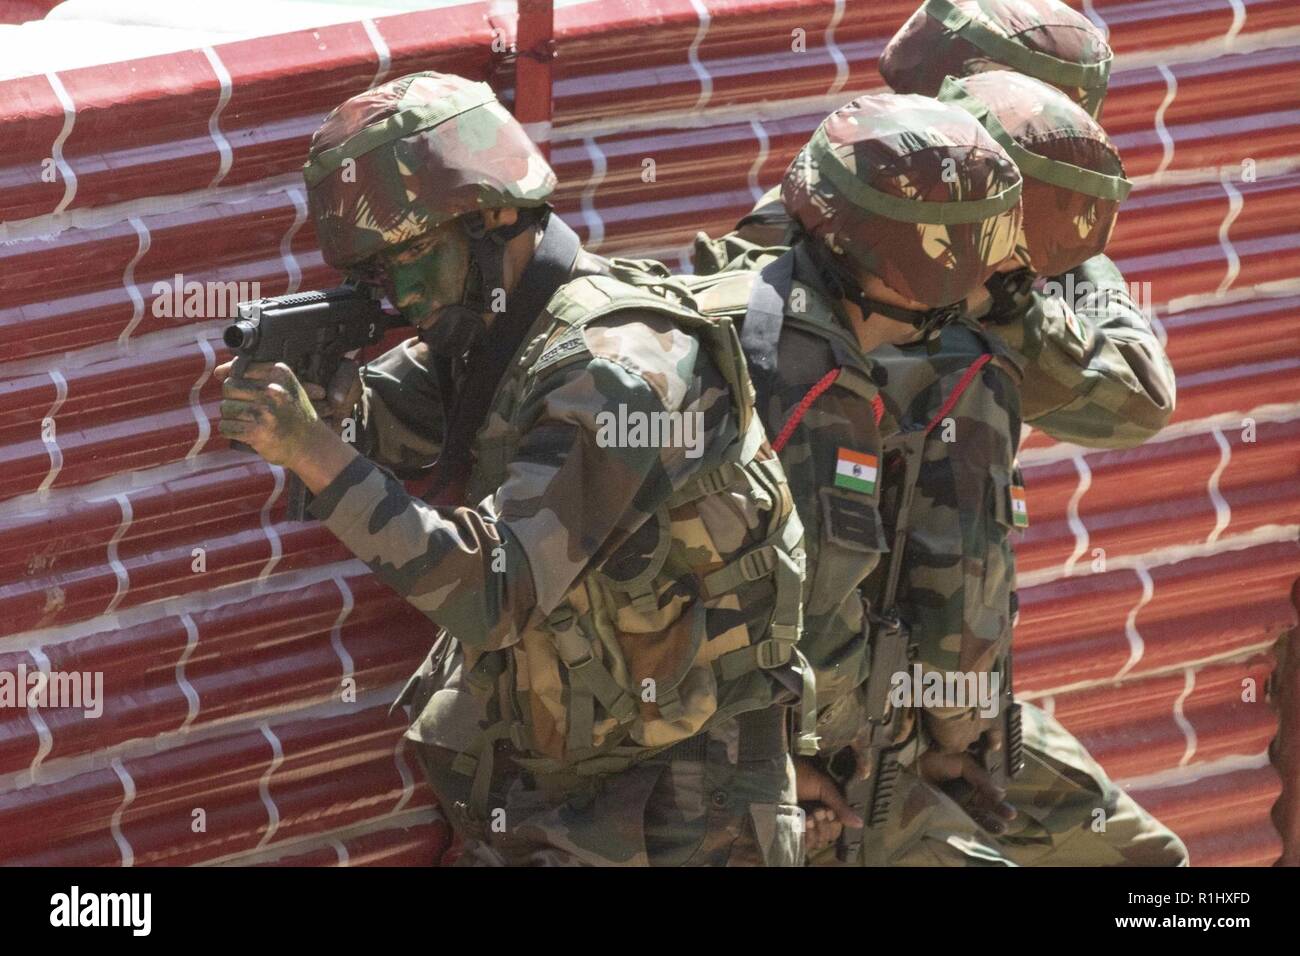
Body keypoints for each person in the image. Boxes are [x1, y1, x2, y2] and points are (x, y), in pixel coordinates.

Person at [216, 71, 814, 866]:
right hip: (565, 786)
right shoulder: (498, 329)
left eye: (412, 256)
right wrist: (331, 410)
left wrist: (312, 450)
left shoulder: (615, 366)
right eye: (374, 275)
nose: (399, 296)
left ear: (495, 217)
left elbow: (494, 593)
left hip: (682, 809)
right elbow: (394, 422)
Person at [681, 92, 1025, 855]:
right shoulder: (816, 385)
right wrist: (878, 745)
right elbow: (819, 644)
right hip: (691, 782)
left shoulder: (726, 296)